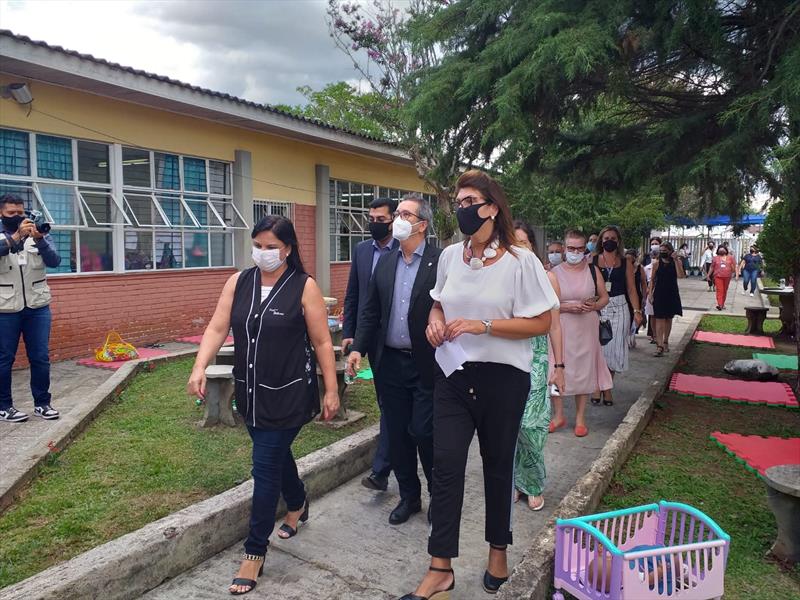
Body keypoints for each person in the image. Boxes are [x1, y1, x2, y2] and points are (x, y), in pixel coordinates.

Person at [401, 170, 558, 599]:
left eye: (471, 200)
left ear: (493, 207)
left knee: (498, 465)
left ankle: (498, 550)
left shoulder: (520, 261)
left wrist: (483, 325)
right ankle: (440, 567)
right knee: (446, 465)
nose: (463, 208)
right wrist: (435, 324)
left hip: (504, 378)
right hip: (453, 375)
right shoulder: (451, 257)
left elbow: (541, 321)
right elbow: (437, 303)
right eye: (459, 200)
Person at [186, 215, 339, 596]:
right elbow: (218, 328)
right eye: (258, 245)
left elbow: (322, 343)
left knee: (265, 467)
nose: (263, 253)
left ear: (287, 249)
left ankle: (254, 551)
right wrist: (199, 366)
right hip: (251, 393)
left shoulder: (304, 287)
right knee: (274, 454)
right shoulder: (240, 282)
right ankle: (299, 501)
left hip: (289, 393)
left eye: (272, 247)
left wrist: (331, 390)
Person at [346, 195, 440, 525]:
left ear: (422, 224)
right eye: (397, 213)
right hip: (389, 364)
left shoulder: (439, 262)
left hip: (426, 364)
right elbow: (370, 311)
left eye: (403, 214)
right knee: (398, 434)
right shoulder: (386, 262)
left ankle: (437, 498)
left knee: (424, 432)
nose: (396, 219)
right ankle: (409, 496)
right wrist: (358, 346)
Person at [341, 197, 399, 492]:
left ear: (394, 220)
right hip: (367, 336)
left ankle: (382, 468)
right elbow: (353, 294)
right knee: (385, 402)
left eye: (380, 220)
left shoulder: (404, 250)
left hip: (396, 338)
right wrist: (350, 334)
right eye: (371, 219)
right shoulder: (363, 250)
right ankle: (388, 461)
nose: (374, 224)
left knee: (391, 403)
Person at [512, 221, 565, 511]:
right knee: (510, 424)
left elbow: (555, 326)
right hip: (508, 356)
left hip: (537, 357)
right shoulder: (502, 278)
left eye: (524, 242)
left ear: (533, 246)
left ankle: (533, 482)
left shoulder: (548, 278)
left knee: (532, 424)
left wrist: (560, 365)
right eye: (514, 242)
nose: (519, 248)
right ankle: (517, 480)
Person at [0, 194, 62, 423]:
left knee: (40, 357)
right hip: (5, 308)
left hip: (37, 306)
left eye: (21, 213)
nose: (18, 217)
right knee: (4, 359)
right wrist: (16, 236)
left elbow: (55, 261)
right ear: (1, 214)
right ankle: (4, 407)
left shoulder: (38, 233)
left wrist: (40, 239)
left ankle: (42, 404)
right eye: (11, 213)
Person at [549, 230, 612, 438]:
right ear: (564, 249)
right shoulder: (554, 272)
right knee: (556, 368)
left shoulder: (593, 271)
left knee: (583, 370)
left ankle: (580, 418)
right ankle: (558, 415)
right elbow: (548, 304)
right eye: (570, 248)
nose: (575, 252)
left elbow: (604, 298)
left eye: (579, 248)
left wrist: (591, 307)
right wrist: (567, 308)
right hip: (560, 327)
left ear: (585, 248)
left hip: (586, 326)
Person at [592, 226, 643, 406]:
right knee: (599, 349)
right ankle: (599, 387)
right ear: (601, 240)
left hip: (619, 307)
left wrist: (637, 311)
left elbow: (631, 289)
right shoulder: (593, 260)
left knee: (614, 349)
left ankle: (606, 388)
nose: (609, 241)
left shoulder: (625, 262)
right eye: (606, 238)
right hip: (598, 307)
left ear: (618, 241)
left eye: (613, 238)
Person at [649, 241, 685, 356]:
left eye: (665, 251)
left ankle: (665, 341)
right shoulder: (656, 263)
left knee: (668, 319)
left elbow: (681, 275)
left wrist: (675, 260)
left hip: (672, 293)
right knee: (659, 318)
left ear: (670, 251)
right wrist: (650, 294)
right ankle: (659, 345)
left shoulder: (676, 262)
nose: (663, 253)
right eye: (661, 251)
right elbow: (652, 280)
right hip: (659, 293)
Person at [625, 249, 648, 348]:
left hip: (636, 295)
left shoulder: (640, 268)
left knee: (635, 316)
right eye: (627, 258)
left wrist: (644, 297)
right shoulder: (623, 267)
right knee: (627, 317)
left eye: (631, 258)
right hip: (625, 295)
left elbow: (643, 283)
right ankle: (626, 338)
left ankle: (632, 336)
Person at [707, 245, 736, 310]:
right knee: (720, 290)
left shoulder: (730, 258)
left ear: (726, 250)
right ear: (718, 251)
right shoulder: (715, 258)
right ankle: (719, 304)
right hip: (718, 276)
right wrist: (708, 275)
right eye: (720, 249)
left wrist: (735, 274)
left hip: (727, 276)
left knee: (724, 290)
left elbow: (734, 267)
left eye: (723, 249)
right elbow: (712, 267)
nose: (722, 250)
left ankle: (722, 304)